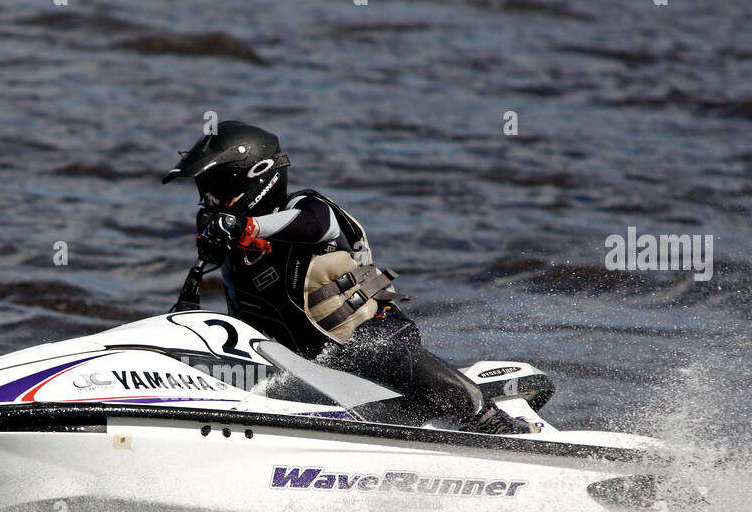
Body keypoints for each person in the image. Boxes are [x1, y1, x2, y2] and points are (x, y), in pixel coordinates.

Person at [162, 120, 523, 431]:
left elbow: (317, 225)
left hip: (367, 339)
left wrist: (247, 226)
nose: (210, 200)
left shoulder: (307, 210)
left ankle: (485, 417)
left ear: (260, 177)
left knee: (378, 350)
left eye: (219, 188)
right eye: (205, 191)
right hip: (302, 366)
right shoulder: (229, 243)